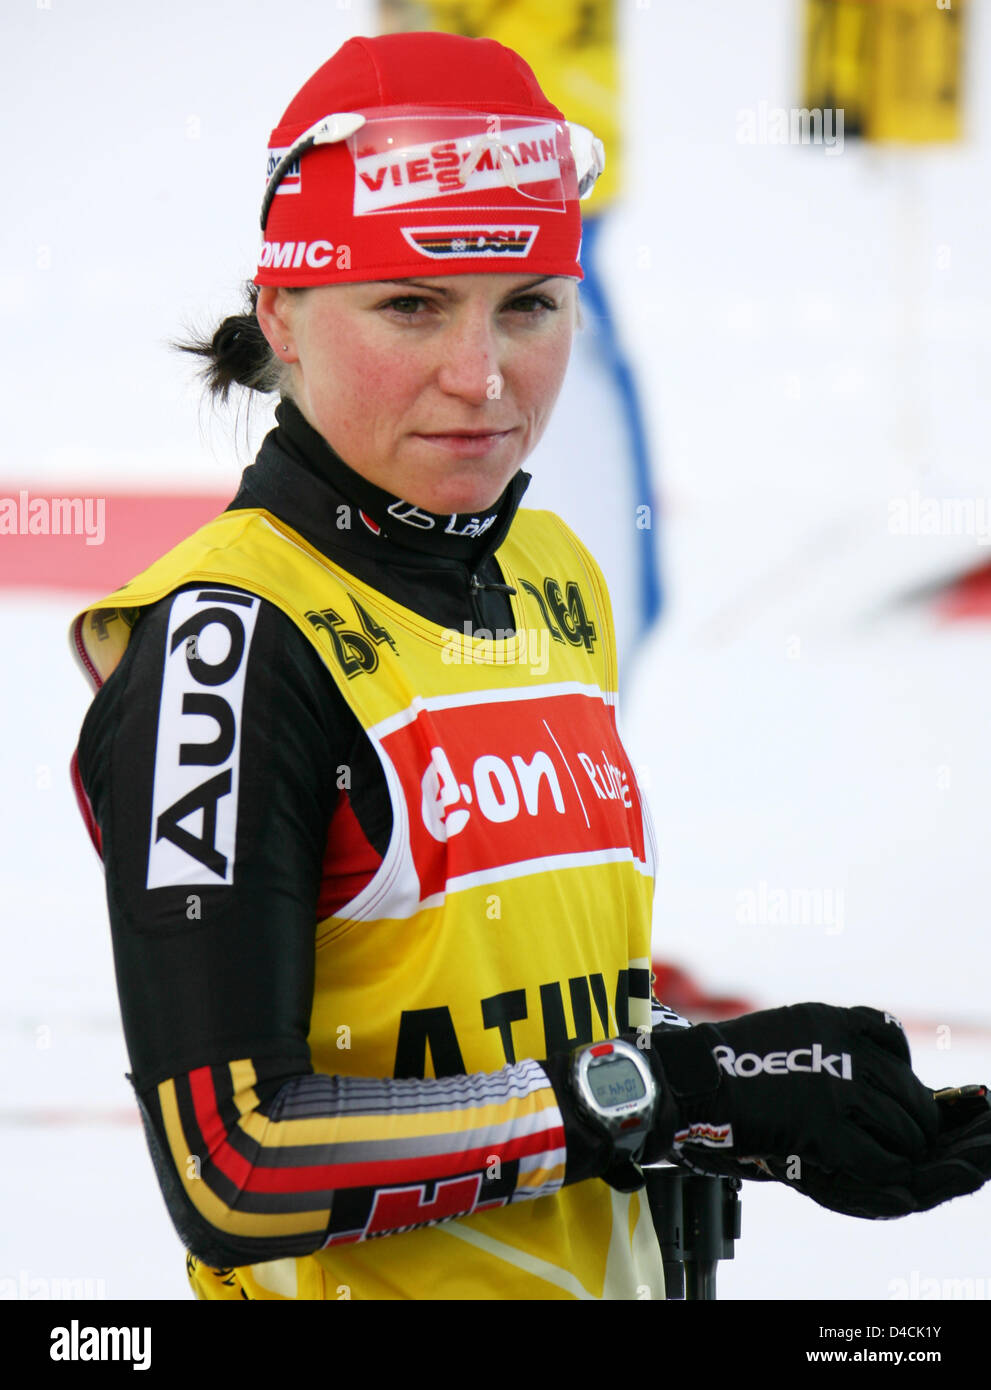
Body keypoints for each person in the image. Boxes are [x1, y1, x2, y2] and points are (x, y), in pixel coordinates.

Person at [70, 30, 991, 1302]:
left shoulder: (551, 571)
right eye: (410, 304)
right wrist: (661, 1097)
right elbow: (237, 1162)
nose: (484, 376)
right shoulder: (223, 649)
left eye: (530, 304)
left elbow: (526, 1018)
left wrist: (750, 1083)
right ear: (280, 310)